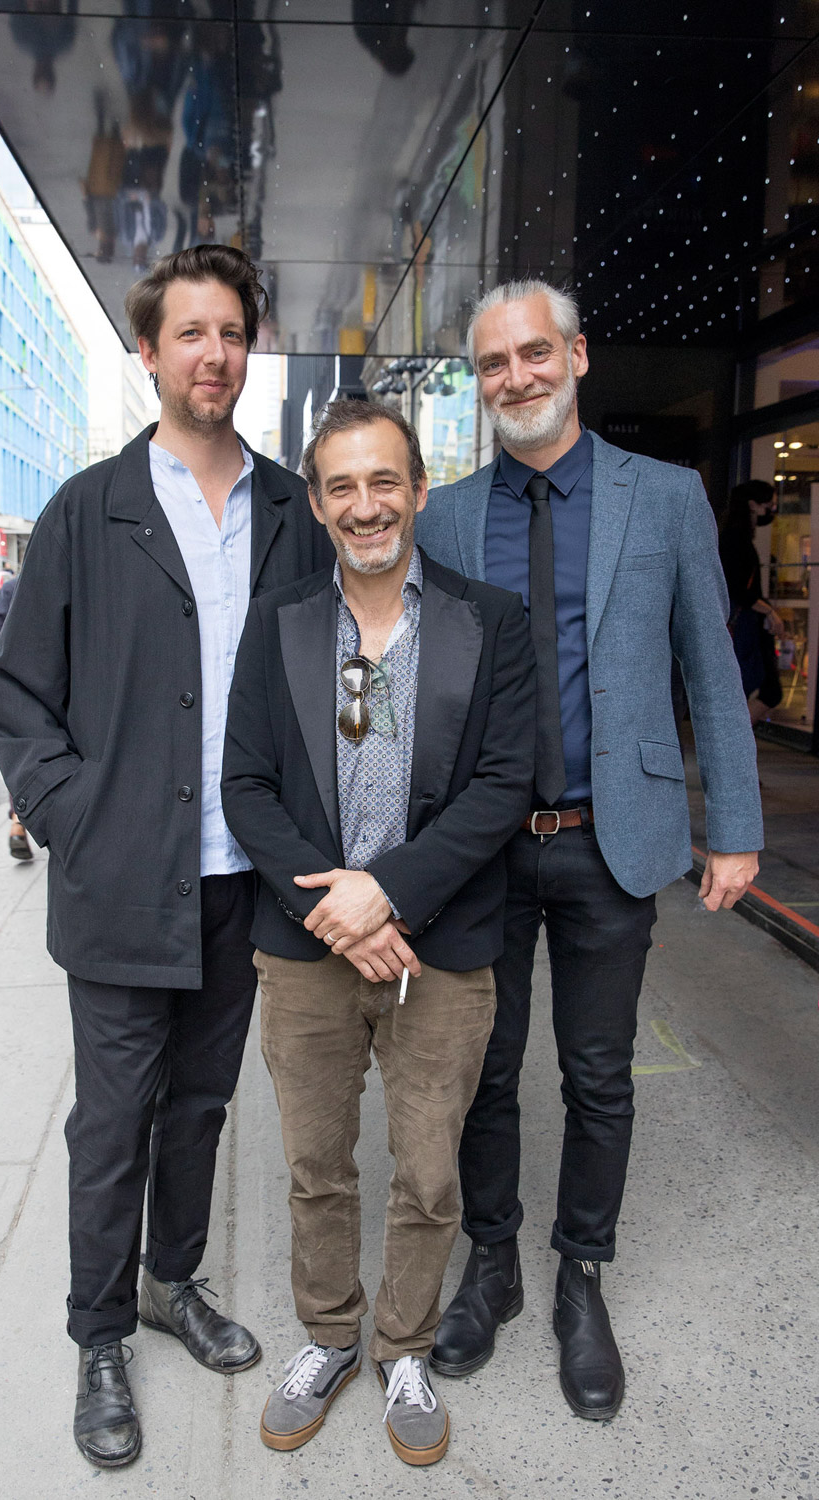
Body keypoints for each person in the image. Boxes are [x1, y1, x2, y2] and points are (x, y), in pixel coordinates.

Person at [0, 245, 332, 1470]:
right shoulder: (90, 507)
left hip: (248, 879)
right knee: (113, 1122)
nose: (214, 355)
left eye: (232, 333)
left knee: (200, 1107)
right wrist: (74, 813)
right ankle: (96, 1333)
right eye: (190, 333)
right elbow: (18, 692)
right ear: (149, 351)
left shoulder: (291, 509)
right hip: (122, 880)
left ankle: (167, 1282)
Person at [416, 280, 763, 1421]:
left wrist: (737, 832)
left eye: (531, 354)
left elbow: (707, 667)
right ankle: (493, 1266)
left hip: (615, 840)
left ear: (574, 358)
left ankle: (580, 1278)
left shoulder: (661, 498)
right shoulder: (449, 517)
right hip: (483, 853)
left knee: (599, 1076)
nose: (513, 376)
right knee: (484, 1075)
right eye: (491, 364)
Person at [221, 401, 536, 1465]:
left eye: (384, 482)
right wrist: (333, 908)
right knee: (315, 1164)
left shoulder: (489, 621)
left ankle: (402, 1344)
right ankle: (327, 1337)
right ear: (317, 505)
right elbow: (245, 786)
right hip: (306, 949)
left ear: (418, 489)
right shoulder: (279, 624)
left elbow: (502, 786)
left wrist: (388, 894)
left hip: (439, 950)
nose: (366, 505)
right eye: (342, 487)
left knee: (428, 1170)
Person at [718, 480, 786, 726]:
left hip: (746, 624)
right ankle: (734, 742)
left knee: (755, 687)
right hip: (745, 625)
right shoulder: (736, 540)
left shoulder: (735, 537)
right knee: (763, 687)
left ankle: (734, 743)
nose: (772, 508)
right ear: (753, 505)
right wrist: (769, 612)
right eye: (768, 503)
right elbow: (737, 588)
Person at [0, 573, 31, 859]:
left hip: (18, 683)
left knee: (23, 751)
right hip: (61, 683)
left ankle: (18, 820)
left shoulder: (12, 586)